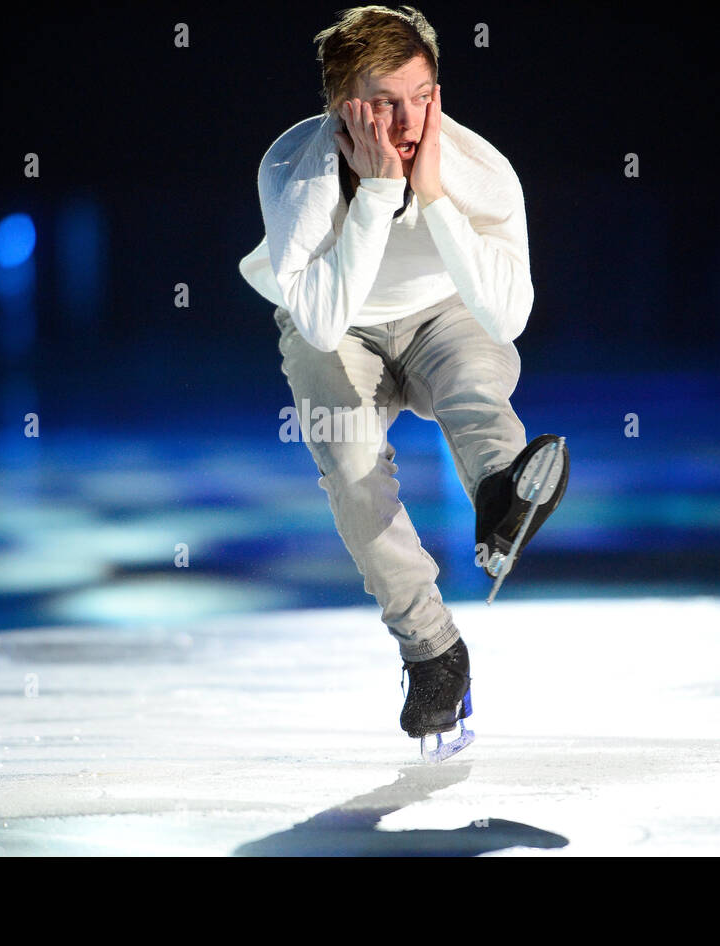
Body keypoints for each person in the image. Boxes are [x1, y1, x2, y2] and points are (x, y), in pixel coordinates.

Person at [237, 5, 568, 756]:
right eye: (383, 102)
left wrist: (437, 198)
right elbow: (320, 321)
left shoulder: (479, 169)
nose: (408, 119)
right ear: (340, 105)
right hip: (335, 324)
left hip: (444, 316)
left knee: (475, 387)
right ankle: (432, 652)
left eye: (422, 95)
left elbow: (508, 315)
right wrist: (382, 192)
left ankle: (502, 492)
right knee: (351, 464)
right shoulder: (294, 169)